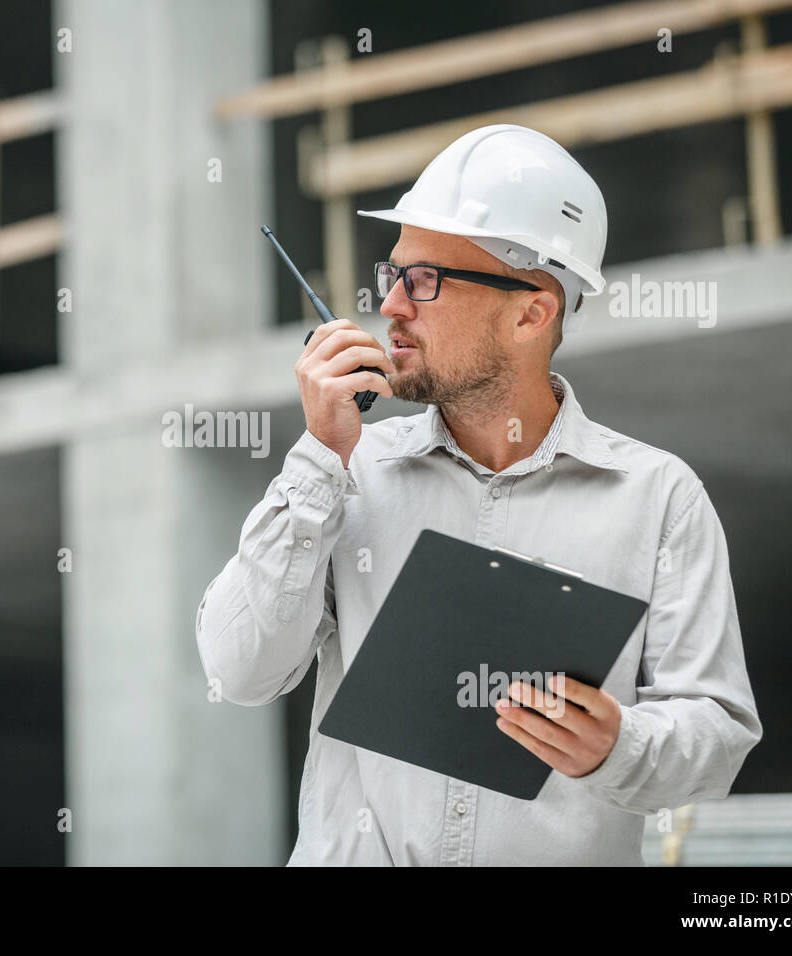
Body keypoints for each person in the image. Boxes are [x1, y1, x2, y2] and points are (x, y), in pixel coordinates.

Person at [194, 124, 762, 866]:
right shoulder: (347, 475)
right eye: (391, 274)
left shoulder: (657, 498)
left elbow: (716, 739)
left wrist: (617, 745)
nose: (391, 305)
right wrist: (319, 458)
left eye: (425, 280)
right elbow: (239, 671)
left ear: (530, 313)